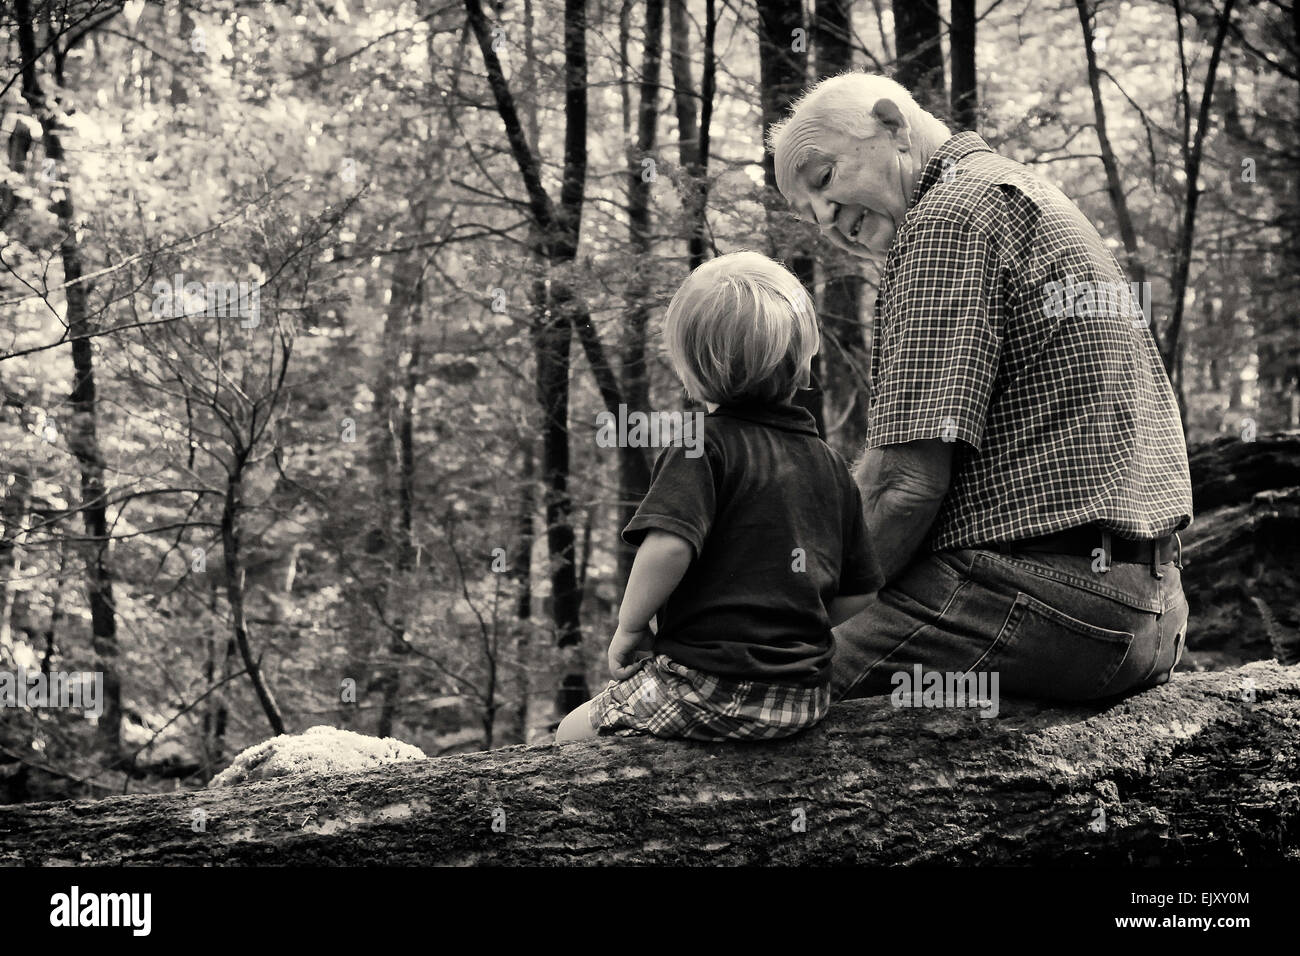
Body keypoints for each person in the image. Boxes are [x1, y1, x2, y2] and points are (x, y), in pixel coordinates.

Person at [767, 72, 1194, 704]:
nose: (826, 220)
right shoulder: (1029, 195)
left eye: (825, 180)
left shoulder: (947, 221)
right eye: (808, 214)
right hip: (1151, 612)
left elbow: (905, 486)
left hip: (1046, 601)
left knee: (746, 664)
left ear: (892, 124)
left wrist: (785, 607)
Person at [555, 251, 881, 743]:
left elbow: (668, 546)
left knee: (568, 736)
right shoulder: (831, 465)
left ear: (695, 370)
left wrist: (630, 626)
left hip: (706, 688)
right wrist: (795, 626)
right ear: (803, 365)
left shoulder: (699, 445)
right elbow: (862, 591)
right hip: (805, 698)